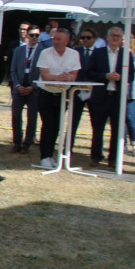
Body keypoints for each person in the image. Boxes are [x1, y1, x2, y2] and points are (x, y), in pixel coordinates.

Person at [85, 26, 135, 168]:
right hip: (100, 96)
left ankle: (114, 158)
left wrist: (121, 77)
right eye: (113, 35)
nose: (115, 38)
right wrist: (105, 76)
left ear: (122, 39)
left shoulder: (126, 54)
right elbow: (89, 72)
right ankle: (96, 156)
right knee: (97, 129)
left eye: (118, 36)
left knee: (117, 130)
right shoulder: (98, 53)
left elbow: (132, 75)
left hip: (118, 97)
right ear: (108, 37)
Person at [36, 28, 82, 169]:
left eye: (59, 39)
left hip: (62, 95)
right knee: (47, 125)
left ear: (67, 41)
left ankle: (50, 155)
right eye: (54, 39)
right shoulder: (45, 53)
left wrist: (67, 77)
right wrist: (59, 77)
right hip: (46, 93)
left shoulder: (74, 54)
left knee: (56, 126)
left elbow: (74, 75)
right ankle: (44, 156)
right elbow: (44, 75)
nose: (55, 42)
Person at [9, 25, 42, 153]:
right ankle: (17, 142)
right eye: (32, 35)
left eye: (37, 35)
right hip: (19, 88)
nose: (34, 38)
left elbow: (43, 72)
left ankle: (27, 143)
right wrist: (17, 85)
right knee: (16, 115)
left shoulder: (42, 51)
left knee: (32, 117)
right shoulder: (18, 50)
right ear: (27, 35)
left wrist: (33, 87)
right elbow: (13, 70)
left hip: (33, 89)